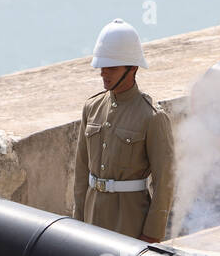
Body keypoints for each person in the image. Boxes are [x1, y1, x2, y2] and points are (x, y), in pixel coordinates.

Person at [72, 19, 175, 242]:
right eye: (102, 67)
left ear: (132, 68)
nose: (104, 74)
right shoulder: (92, 107)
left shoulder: (152, 117)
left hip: (129, 220)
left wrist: (152, 234)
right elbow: (81, 171)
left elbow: (164, 181)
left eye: (112, 68)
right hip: (91, 216)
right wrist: (77, 220)